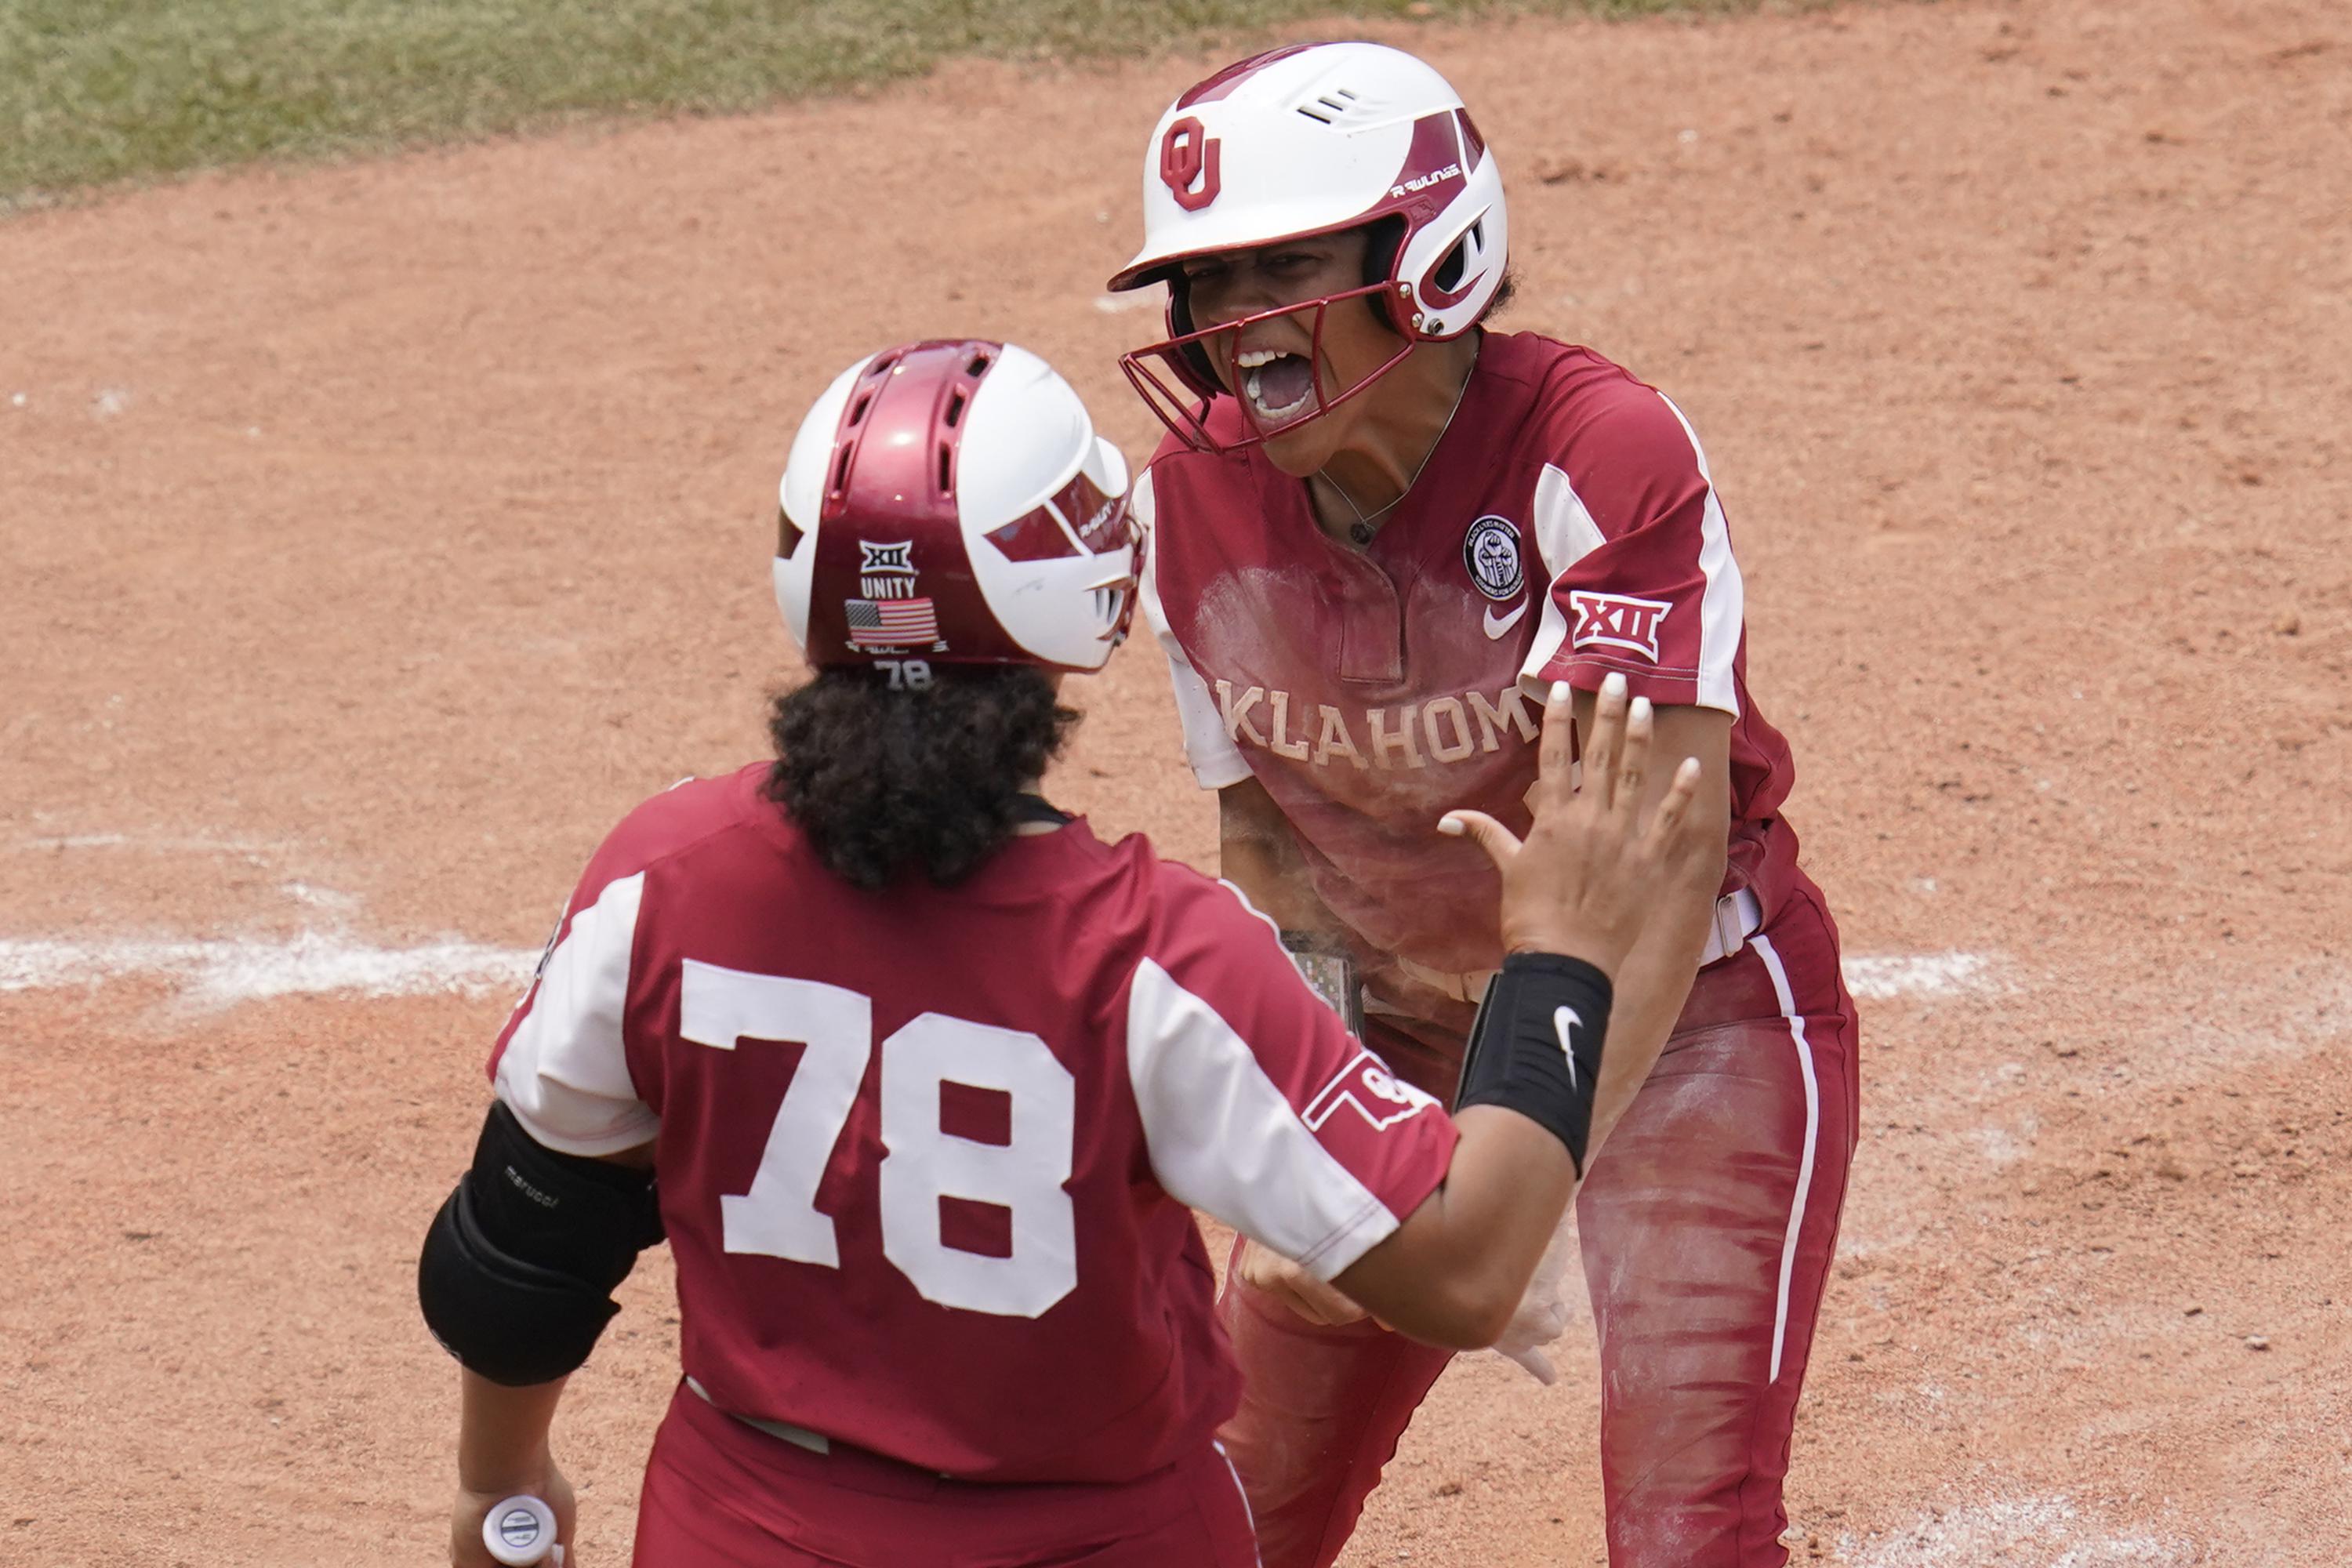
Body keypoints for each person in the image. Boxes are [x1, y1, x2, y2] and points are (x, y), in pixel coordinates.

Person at [415, 337, 1712, 1566]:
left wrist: (504, 1482)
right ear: (1079, 585)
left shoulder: (662, 878)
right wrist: (1559, 959)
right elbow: (1465, 1268)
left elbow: (527, 1248)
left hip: (743, 1519)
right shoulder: (1155, 955)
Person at [1104, 41, 1861, 1568]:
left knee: (1687, 1538)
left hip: (1686, 1011)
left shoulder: (1595, 454)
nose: (1235, 329)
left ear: (1427, 258)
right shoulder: (1184, 512)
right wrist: (1322, 1146)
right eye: (1206, 286)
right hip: (1400, 1037)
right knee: (1211, 1524)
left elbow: (1643, 866)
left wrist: (1500, 1181)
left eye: (1287, 265)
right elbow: (1271, 848)